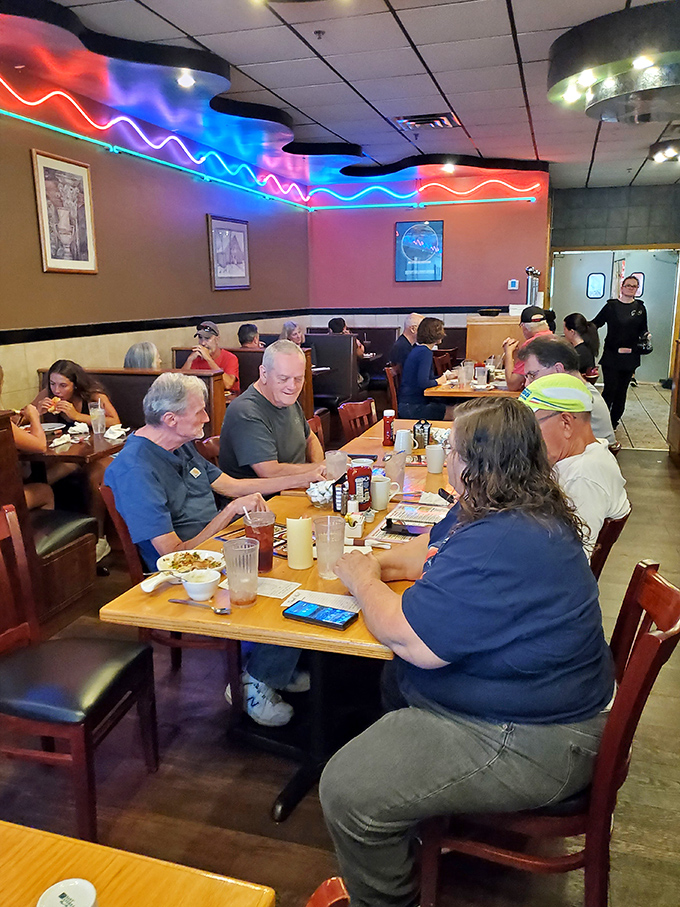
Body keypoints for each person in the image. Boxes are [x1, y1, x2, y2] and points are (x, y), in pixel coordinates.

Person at [320, 397, 615, 907]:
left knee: (347, 790)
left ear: (478, 465)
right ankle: (406, 824)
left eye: (451, 449)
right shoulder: (509, 505)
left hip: (540, 739)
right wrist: (377, 563)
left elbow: (411, 639)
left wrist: (363, 578)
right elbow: (429, 549)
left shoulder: (506, 539)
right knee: (390, 682)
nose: (445, 456)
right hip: (537, 705)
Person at [105, 373, 325, 727]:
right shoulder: (137, 468)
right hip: (185, 576)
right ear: (171, 419)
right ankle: (257, 681)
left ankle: (273, 667)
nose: (208, 418)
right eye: (200, 412)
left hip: (219, 549)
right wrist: (228, 514)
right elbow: (173, 556)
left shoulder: (178, 445)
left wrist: (307, 477)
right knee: (294, 582)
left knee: (306, 559)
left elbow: (233, 485)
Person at [520, 373, 630, 559]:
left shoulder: (584, 476)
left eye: (532, 428)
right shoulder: (584, 456)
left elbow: (571, 561)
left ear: (566, 423)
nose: (527, 439)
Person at [32, 359, 120, 560]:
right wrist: (36, 413)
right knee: (57, 470)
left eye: (63, 385)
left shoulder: (94, 396)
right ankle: (44, 533)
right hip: (73, 453)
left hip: (106, 451)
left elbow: (115, 421)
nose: (57, 390)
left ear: (76, 384)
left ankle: (100, 539)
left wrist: (76, 415)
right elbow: (21, 417)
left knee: (96, 474)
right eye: (53, 384)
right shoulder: (48, 395)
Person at [219, 340, 325, 481]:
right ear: (263, 373)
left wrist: (320, 468)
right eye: (283, 378)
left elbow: (310, 438)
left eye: (298, 379)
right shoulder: (245, 411)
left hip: (298, 488)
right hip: (262, 499)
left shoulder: (286, 399)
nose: (292, 386)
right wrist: (323, 468)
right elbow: (269, 471)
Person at [517, 335, 615, 444]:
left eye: (532, 375)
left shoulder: (576, 400)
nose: (527, 384)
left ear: (558, 369)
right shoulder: (576, 391)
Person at [592, 276, 649, 429]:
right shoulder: (611, 307)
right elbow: (595, 323)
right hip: (611, 355)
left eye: (634, 286)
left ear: (637, 289)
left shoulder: (640, 308)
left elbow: (643, 329)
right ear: (622, 287)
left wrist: (646, 337)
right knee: (610, 389)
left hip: (630, 357)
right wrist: (578, 330)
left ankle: (613, 422)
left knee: (621, 392)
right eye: (628, 285)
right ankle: (602, 421)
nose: (631, 288)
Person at [0, 364, 53, 511]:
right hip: (3, 505)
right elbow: (40, 445)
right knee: (45, 492)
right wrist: (34, 416)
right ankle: (27, 533)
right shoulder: (1, 423)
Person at [397, 317, 448, 421]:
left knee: (448, 406)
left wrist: (444, 377)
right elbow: (423, 383)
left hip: (408, 404)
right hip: (413, 407)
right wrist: (439, 380)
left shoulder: (419, 350)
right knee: (456, 412)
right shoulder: (425, 353)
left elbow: (426, 378)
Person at [502, 305, 553, 392]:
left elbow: (513, 384)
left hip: (538, 397)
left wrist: (508, 353)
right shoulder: (556, 340)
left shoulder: (531, 345)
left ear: (524, 326)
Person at [182, 320, 240, 395]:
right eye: (200, 338)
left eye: (207, 339)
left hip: (227, 402)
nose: (203, 343)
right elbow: (181, 383)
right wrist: (189, 360)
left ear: (217, 339)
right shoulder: (195, 358)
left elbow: (228, 384)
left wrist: (208, 359)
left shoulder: (230, 358)